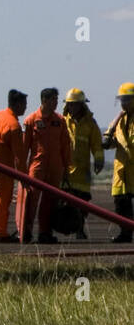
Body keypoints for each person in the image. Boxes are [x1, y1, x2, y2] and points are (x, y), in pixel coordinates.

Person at [21, 88, 71, 244]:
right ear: (44, 100)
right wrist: (21, 171)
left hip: (55, 167)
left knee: (50, 201)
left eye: (56, 99)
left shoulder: (60, 121)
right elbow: (23, 149)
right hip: (37, 167)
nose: (56, 103)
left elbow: (65, 146)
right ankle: (26, 231)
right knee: (31, 200)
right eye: (53, 99)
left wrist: (66, 169)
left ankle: (45, 232)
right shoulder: (31, 121)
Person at [0, 90, 28, 244]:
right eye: (24, 105)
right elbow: (19, 156)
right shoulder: (14, 126)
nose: (25, 108)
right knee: (2, 198)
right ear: (17, 105)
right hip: (2, 165)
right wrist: (23, 177)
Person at [62, 88, 104, 238]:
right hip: (66, 172)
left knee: (83, 202)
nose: (72, 108)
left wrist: (99, 160)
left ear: (82, 105)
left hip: (82, 172)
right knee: (65, 203)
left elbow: (97, 145)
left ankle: (80, 229)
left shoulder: (90, 124)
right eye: (70, 105)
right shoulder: (62, 122)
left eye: (75, 104)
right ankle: (66, 228)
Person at [102, 83, 134, 243]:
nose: (123, 103)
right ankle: (125, 233)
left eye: (127, 99)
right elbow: (110, 142)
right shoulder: (120, 121)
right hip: (121, 170)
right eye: (122, 99)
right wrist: (109, 136)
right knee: (121, 204)